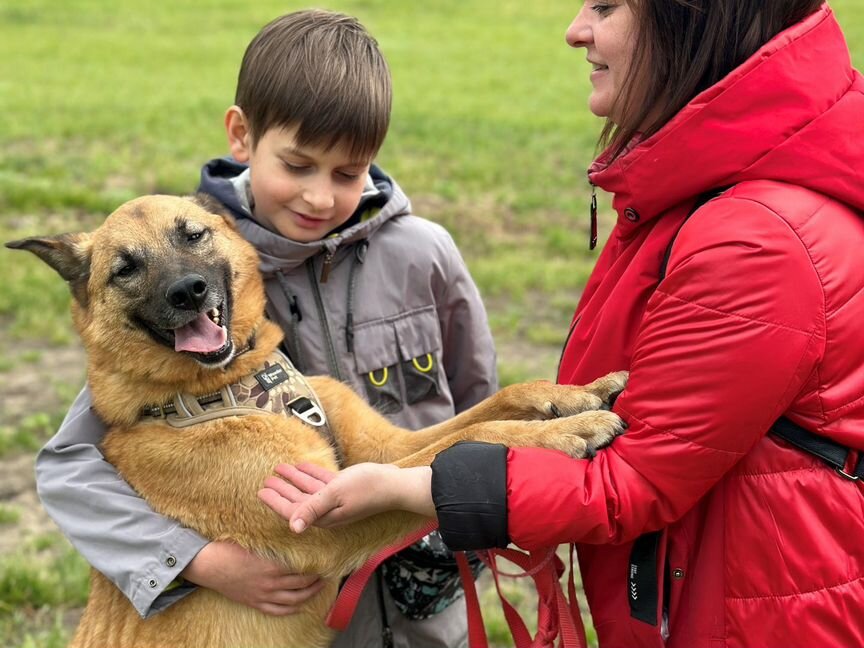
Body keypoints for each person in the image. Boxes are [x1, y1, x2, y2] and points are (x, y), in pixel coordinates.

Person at [259, 2, 864, 647]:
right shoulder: (722, 189)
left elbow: (629, 481)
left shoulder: (758, 242)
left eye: (605, 6)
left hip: (753, 619)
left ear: (692, 20)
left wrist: (413, 488)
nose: (576, 30)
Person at [35, 10, 497, 648]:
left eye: (346, 172)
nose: (318, 198)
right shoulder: (212, 272)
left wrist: (479, 512)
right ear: (242, 136)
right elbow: (71, 462)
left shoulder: (425, 253)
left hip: (426, 568)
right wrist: (195, 561)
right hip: (305, 596)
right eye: (298, 166)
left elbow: (476, 389)